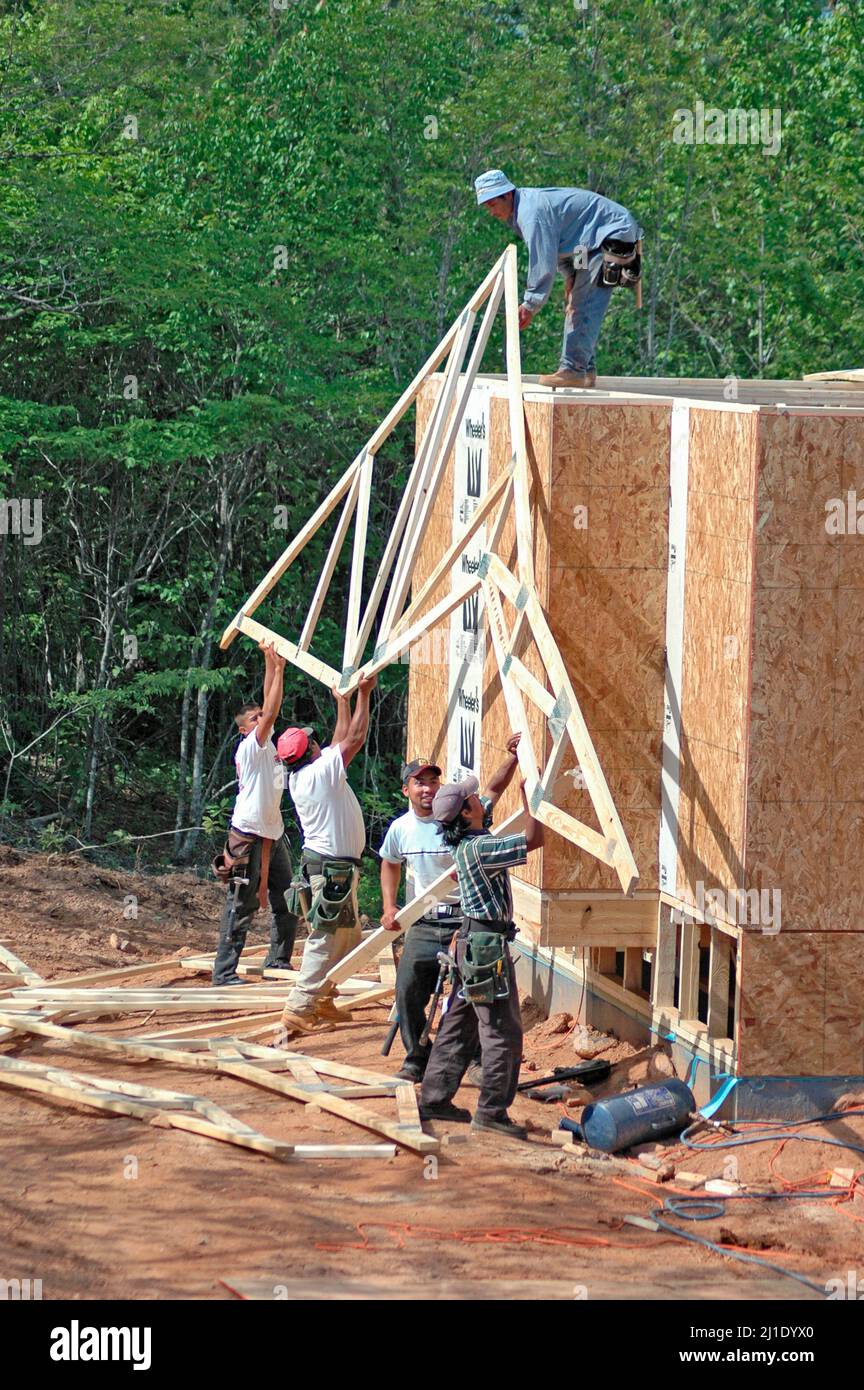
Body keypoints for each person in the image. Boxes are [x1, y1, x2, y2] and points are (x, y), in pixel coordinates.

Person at [419, 734, 544, 1140]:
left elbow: (491, 789)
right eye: (471, 801)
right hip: (486, 948)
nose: (479, 800)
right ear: (465, 814)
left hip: (471, 944)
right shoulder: (479, 849)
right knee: (502, 1033)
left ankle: (435, 1098)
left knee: (460, 1024)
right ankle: (491, 1112)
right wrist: (533, 801)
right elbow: (534, 839)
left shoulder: (466, 835)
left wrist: (511, 759)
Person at [474, 168, 643, 389]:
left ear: (506, 195)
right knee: (578, 301)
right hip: (593, 239)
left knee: (583, 304)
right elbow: (565, 243)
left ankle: (573, 370)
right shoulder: (522, 209)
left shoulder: (530, 213)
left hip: (613, 233)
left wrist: (530, 304)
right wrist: (571, 275)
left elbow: (542, 258)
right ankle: (585, 371)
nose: (491, 211)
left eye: (492, 204)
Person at [276, 674, 376, 1033]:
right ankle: (299, 1006)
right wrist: (363, 693)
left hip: (331, 867)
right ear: (312, 751)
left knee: (347, 936)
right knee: (324, 937)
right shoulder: (321, 772)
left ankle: (322, 997)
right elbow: (355, 738)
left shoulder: (307, 774)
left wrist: (342, 702)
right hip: (331, 870)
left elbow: (338, 743)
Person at [211, 640, 298, 986]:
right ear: (244, 729)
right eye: (254, 719)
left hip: (272, 834)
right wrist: (275, 666)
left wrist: (273, 666)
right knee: (241, 904)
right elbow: (271, 709)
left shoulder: (269, 746)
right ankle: (224, 973)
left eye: (261, 717)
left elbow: (268, 706)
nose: (262, 719)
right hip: (247, 836)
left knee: (287, 898)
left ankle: (278, 959)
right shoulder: (250, 746)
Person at [379, 757, 469, 1083]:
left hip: (462, 921)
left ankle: (468, 1057)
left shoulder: (456, 822)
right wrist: (390, 907)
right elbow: (389, 863)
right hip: (423, 922)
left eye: (433, 781)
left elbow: (490, 795)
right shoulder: (400, 829)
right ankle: (417, 1057)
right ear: (407, 790)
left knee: (470, 991)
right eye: (420, 782)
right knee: (408, 988)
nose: (428, 788)